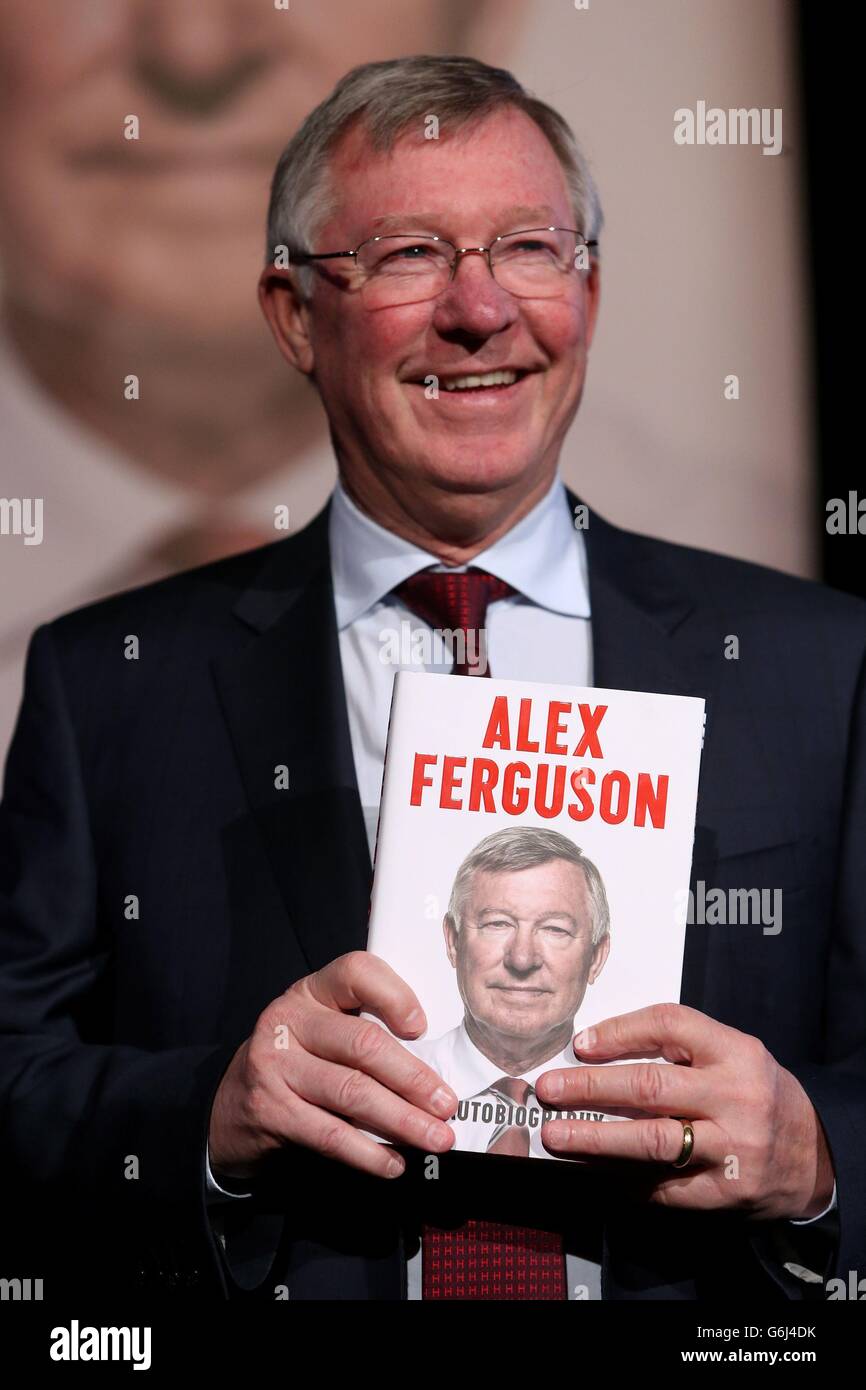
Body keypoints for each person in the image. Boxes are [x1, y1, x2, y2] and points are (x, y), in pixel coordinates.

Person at [0, 55, 863, 1303]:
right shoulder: (110, 685)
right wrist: (210, 1116)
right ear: (295, 314)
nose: (479, 310)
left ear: (589, 290)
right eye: (407, 254)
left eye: (526, 248)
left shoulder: (813, 665)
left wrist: (816, 1151)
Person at [408, 827, 612, 1157]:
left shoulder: (636, 1115)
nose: (522, 958)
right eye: (497, 924)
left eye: (555, 929)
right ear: (453, 941)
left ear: (597, 957)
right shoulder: (384, 1084)